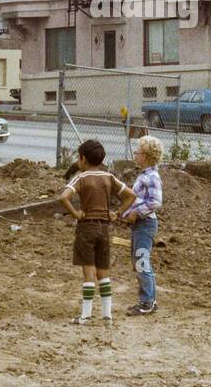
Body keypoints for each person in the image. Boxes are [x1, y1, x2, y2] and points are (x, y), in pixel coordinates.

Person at [58, 139, 136, 325]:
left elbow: (63, 197)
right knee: (103, 273)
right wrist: (117, 213)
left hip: (86, 228)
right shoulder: (108, 177)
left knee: (89, 273)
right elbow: (131, 195)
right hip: (104, 228)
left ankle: (85, 315)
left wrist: (76, 213)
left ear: (83, 159)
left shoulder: (82, 177)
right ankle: (107, 315)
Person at [121, 135, 163, 316]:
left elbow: (155, 202)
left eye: (137, 152)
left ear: (145, 156)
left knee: (142, 261)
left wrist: (136, 213)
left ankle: (147, 302)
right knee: (139, 260)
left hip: (145, 224)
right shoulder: (145, 175)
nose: (135, 155)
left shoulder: (151, 176)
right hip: (140, 224)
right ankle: (148, 299)